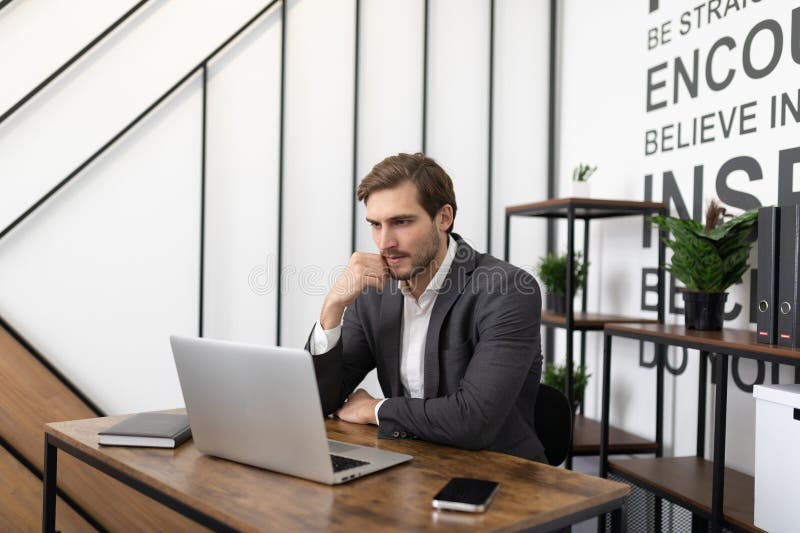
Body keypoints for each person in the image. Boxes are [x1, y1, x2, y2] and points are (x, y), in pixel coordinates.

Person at [306, 153, 545, 462]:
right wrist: (332, 308)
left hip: (499, 476)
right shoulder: (375, 292)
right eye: (375, 225)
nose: (384, 242)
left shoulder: (507, 290)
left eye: (401, 222)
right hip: (409, 466)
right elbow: (317, 401)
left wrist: (376, 409)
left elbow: (473, 421)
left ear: (443, 218)